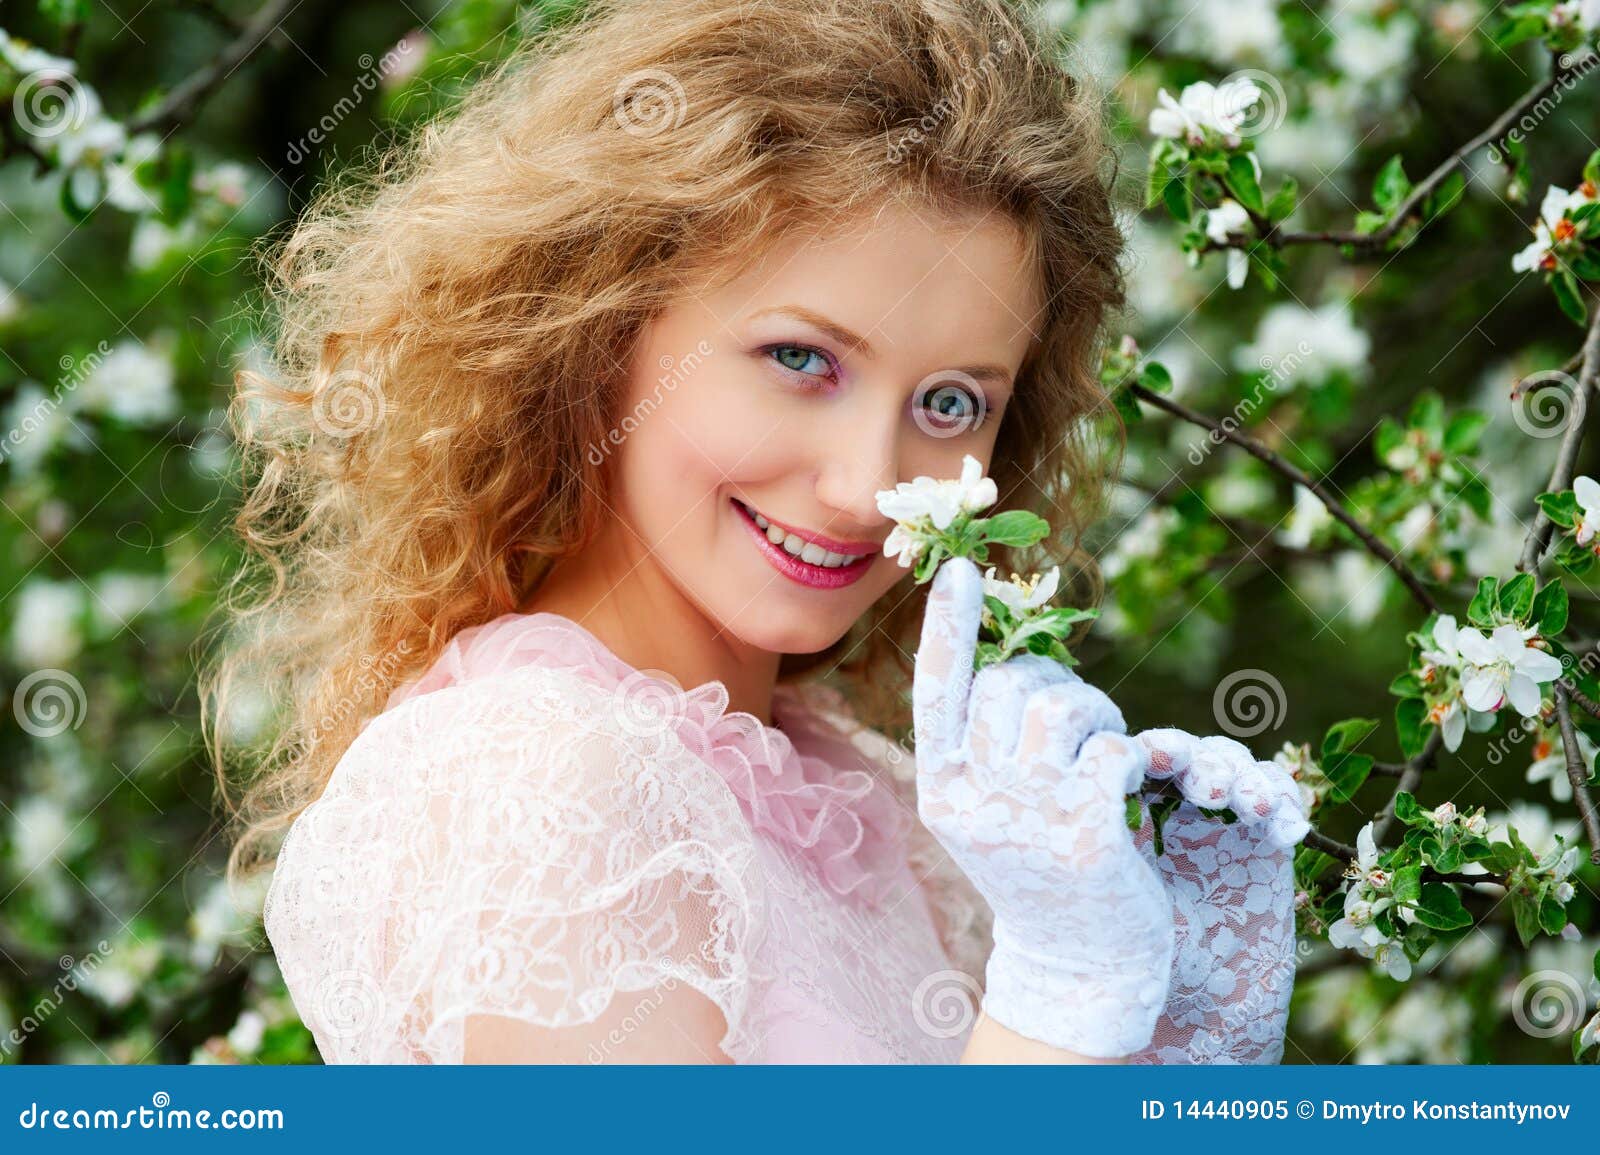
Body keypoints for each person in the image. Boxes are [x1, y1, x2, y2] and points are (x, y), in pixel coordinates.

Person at [211, 0, 1309, 1064]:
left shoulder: (876, 800)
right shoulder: (541, 778)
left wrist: (1173, 1026)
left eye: (949, 403)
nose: (863, 489)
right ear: (600, 325)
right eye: (800, 359)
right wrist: (1061, 1007)